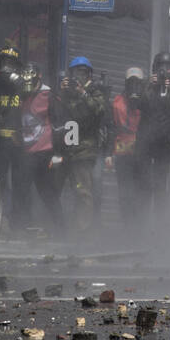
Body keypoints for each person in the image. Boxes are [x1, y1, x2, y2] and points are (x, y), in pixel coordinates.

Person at [53, 56, 110, 234]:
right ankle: (66, 228)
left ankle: (83, 231)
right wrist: (61, 92)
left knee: (84, 191)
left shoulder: (95, 92)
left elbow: (99, 110)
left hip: (85, 149)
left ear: (89, 75)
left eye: (83, 73)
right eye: (76, 73)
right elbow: (56, 114)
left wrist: (82, 93)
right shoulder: (67, 93)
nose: (79, 77)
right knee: (68, 192)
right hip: (67, 148)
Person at [16, 63, 66, 236]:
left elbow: (59, 125)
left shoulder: (49, 95)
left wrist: (58, 153)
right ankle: (21, 226)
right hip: (26, 149)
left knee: (47, 191)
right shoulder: (21, 93)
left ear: (38, 77)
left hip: (44, 150)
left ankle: (60, 228)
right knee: (22, 188)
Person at [136, 51, 170, 222]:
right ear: (155, 70)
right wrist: (150, 86)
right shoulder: (148, 86)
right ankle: (140, 225)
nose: (165, 72)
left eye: (168, 69)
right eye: (161, 68)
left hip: (164, 144)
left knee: (160, 186)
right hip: (145, 143)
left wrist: (165, 91)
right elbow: (139, 104)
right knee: (143, 184)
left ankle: (159, 226)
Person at [0, 43, 30, 231]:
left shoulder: (24, 84)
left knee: (19, 182)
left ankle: (18, 222)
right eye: (4, 62)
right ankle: (0, 217)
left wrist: (18, 79)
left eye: (11, 63)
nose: (6, 66)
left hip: (18, 142)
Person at [108, 68, 145, 225]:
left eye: (137, 82)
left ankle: (139, 228)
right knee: (124, 193)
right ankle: (127, 226)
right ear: (126, 83)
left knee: (140, 192)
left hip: (141, 153)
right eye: (131, 82)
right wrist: (108, 153)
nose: (134, 86)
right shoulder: (117, 103)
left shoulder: (147, 102)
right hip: (123, 153)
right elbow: (110, 128)